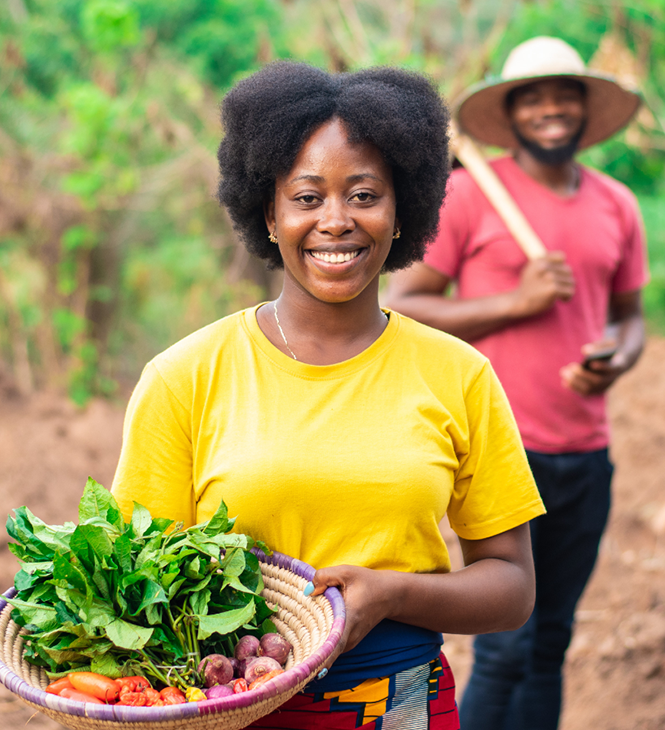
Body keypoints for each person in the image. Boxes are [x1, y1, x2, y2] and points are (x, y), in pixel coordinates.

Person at [109, 61, 545, 729]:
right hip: (227, 707)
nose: (336, 221)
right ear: (269, 214)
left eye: (364, 195)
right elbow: (132, 584)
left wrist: (395, 593)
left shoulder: (459, 375)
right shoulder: (186, 376)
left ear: (401, 211)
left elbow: (512, 587)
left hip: (399, 706)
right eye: (307, 198)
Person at [385, 37, 648, 730]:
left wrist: (616, 359)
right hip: (502, 452)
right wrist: (516, 302)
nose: (550, 109)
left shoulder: (618, 205)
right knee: (505, 649)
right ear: (510, 113)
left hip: (586, 453)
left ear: (586, 109)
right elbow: (404, 305)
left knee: (552, 641)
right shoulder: (469, 196)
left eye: (565, 95)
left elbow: (630, 318)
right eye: (533, 98)